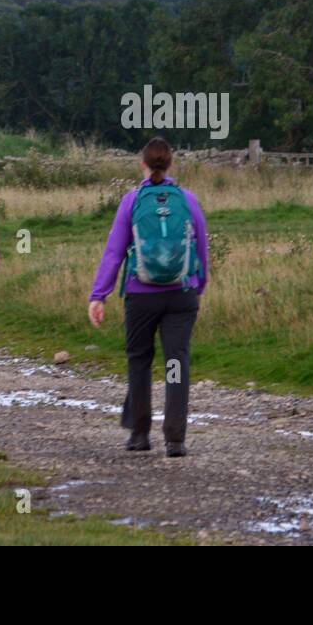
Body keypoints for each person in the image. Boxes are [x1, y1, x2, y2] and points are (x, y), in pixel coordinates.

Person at [88, 137, 209, 458]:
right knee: (175, 362)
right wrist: (198, 285)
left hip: (141, 296)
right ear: (171, 164)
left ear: (142, 164)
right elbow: (202, 249)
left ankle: (140, 434)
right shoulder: (188, 199)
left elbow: (114, 252)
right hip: (181, 294)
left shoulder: (131, 201)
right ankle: (175, 440)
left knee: (139, 360)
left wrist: (99, 295)